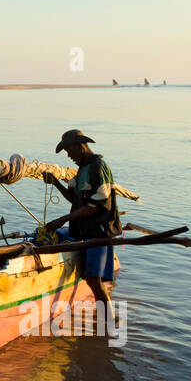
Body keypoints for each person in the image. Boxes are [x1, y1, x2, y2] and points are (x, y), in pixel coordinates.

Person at [42, 128, 122, 323]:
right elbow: (74, 198)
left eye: (69, 151)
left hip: (98, 231)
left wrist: (62, 219)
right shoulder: (82, 169)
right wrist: (56, 183)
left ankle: (109, 321)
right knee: (92, 279)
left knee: (94, 280)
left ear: (80, 146)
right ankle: (106, 320)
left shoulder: (97, 167)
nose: (69, 156)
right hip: (85, 231)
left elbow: (96, 205)